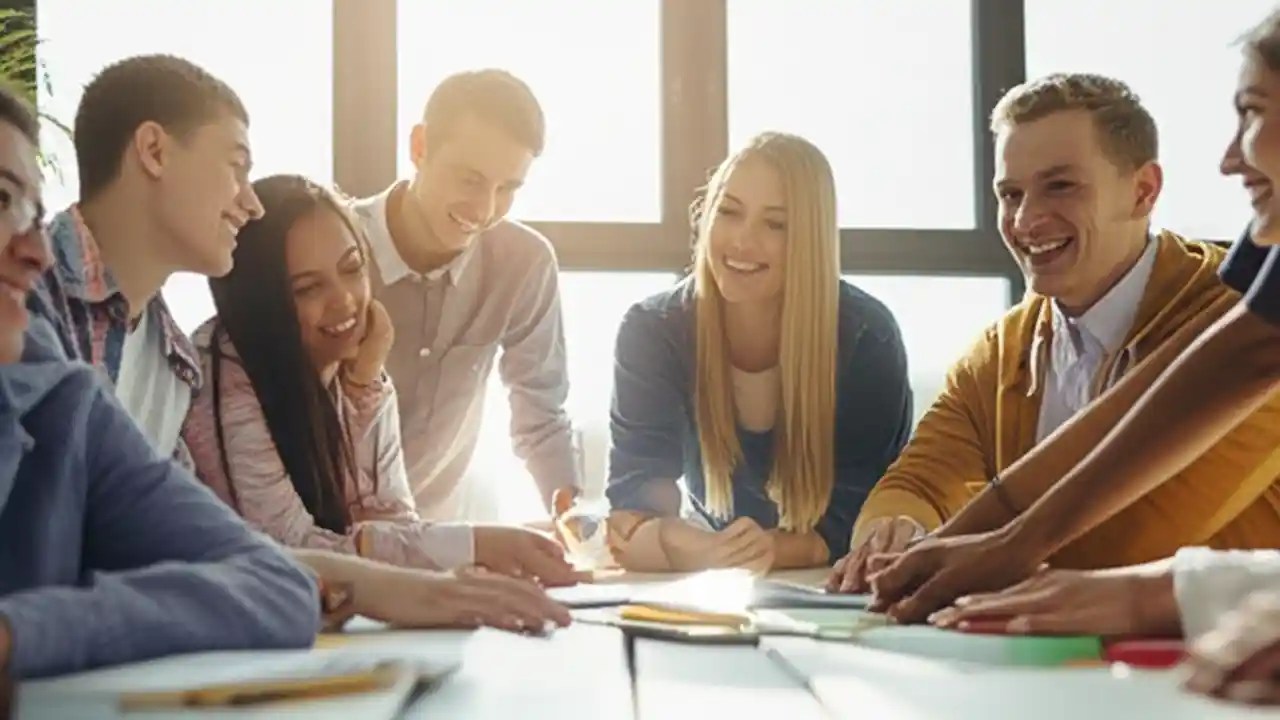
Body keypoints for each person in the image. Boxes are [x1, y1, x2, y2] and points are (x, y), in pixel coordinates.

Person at [30, 54, 571, 632]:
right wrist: (421, 579)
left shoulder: (168, 361)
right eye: (236, 167)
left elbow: (205, 544)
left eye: (351, 269)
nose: (251, 202)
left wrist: (425, 586)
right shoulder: (36, 305)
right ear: (154, 152)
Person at [865, 12, 1280, 630]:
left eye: (1252, 112)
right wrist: (974, 547)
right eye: (1009, 194)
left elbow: (1156, 494)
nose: (1227, 159)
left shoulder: (1207, 297)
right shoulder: (1256, 272)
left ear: (1143, 192)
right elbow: (1158, 402)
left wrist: (1008, 553)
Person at [0, 83, 318, 682]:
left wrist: (21, 633)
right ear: (153, 150)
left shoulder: (69, 400)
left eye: (34, 216)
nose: (35, 254)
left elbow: (272, 580)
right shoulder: (53, 327)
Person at [185, 174, 581, 588]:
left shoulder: (350, 360)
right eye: (307, 288)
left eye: (352, 268)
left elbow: (390, 519)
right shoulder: (224, 377)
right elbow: (292, 549)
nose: (345, 300)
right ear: (260, 298)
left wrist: (363, 386)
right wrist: (474, 545)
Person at [603, 132, 913, 573]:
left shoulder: (867, 337)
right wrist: (699, 549)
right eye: (728, 212)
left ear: (809, 239)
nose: (742, 242)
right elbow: (635, 498)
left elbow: (866, 510)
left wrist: (769, 550)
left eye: (775, 224)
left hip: (826, 580)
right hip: (710, 567)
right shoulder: (654, 330)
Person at [350, 69, 580, 521]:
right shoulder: (331, 248)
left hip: (434, 539)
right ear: (420, 148)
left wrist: (573, 524)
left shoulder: (524, 264)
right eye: (470, 180)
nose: (486, 209)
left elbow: (541, 415)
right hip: (313, 538)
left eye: (508, 188)